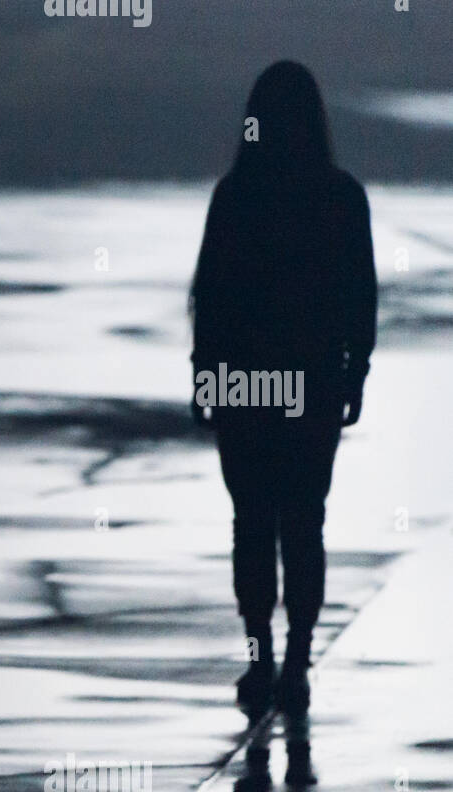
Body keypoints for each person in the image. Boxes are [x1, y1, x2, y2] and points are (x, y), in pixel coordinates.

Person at [190, 61, 377, 715]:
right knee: (303, 523)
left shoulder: (236, 197)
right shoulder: (342, 197)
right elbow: (361, 297)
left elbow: (209, 297)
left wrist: (205, 376)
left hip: (246, 382)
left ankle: (262, 653)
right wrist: (355, 373)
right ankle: (295, 659)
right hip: (312, 382)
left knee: (253, 525)